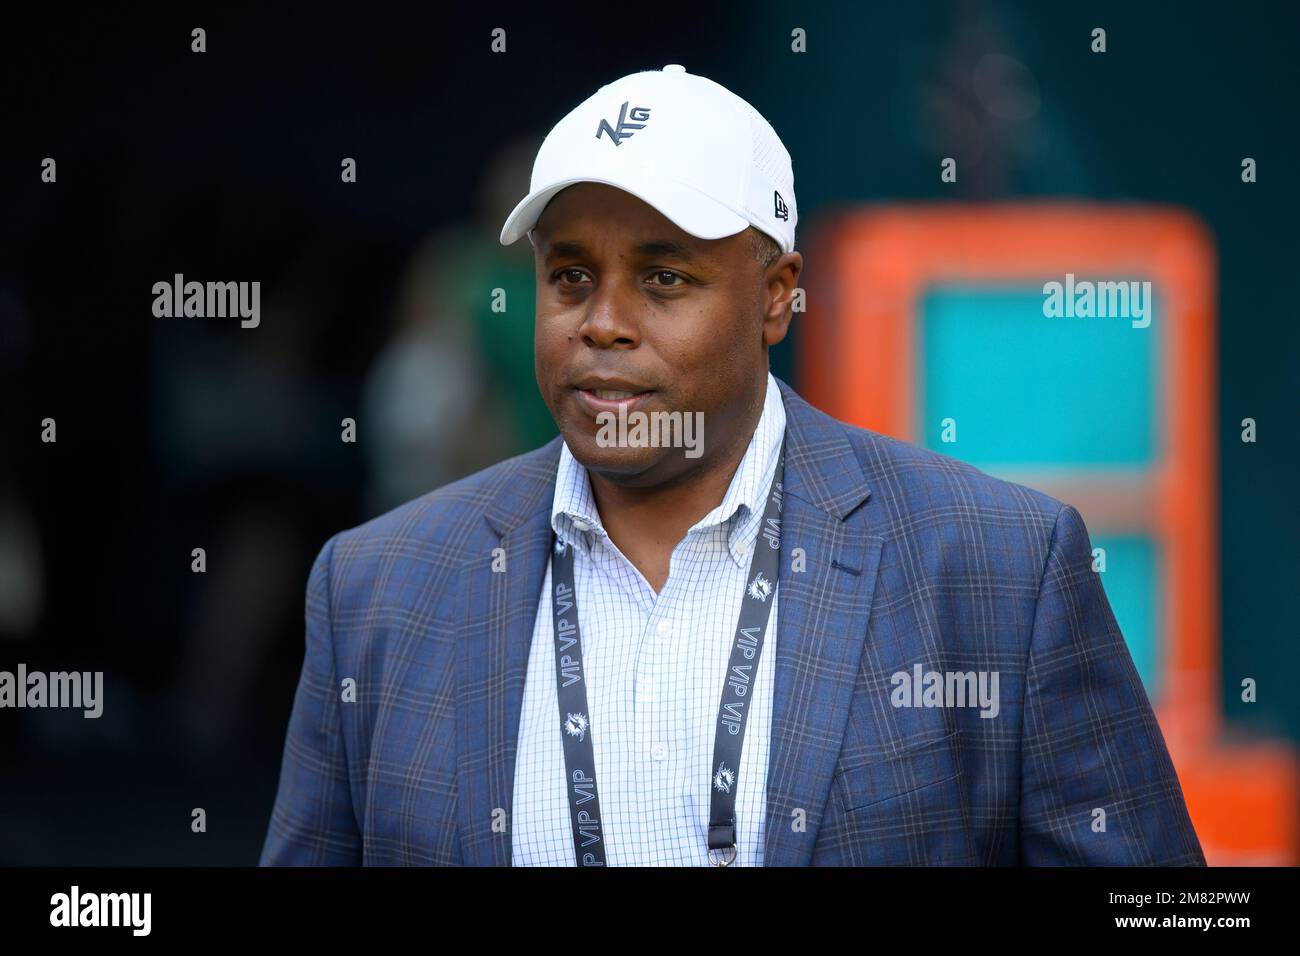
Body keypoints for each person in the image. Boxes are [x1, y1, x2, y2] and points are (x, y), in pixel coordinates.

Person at [260, 65, 1205, 866]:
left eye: (665, 278)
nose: (603, 322)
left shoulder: (1000, 569)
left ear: (778, 298)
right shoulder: (378, 591)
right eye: (570, 276)